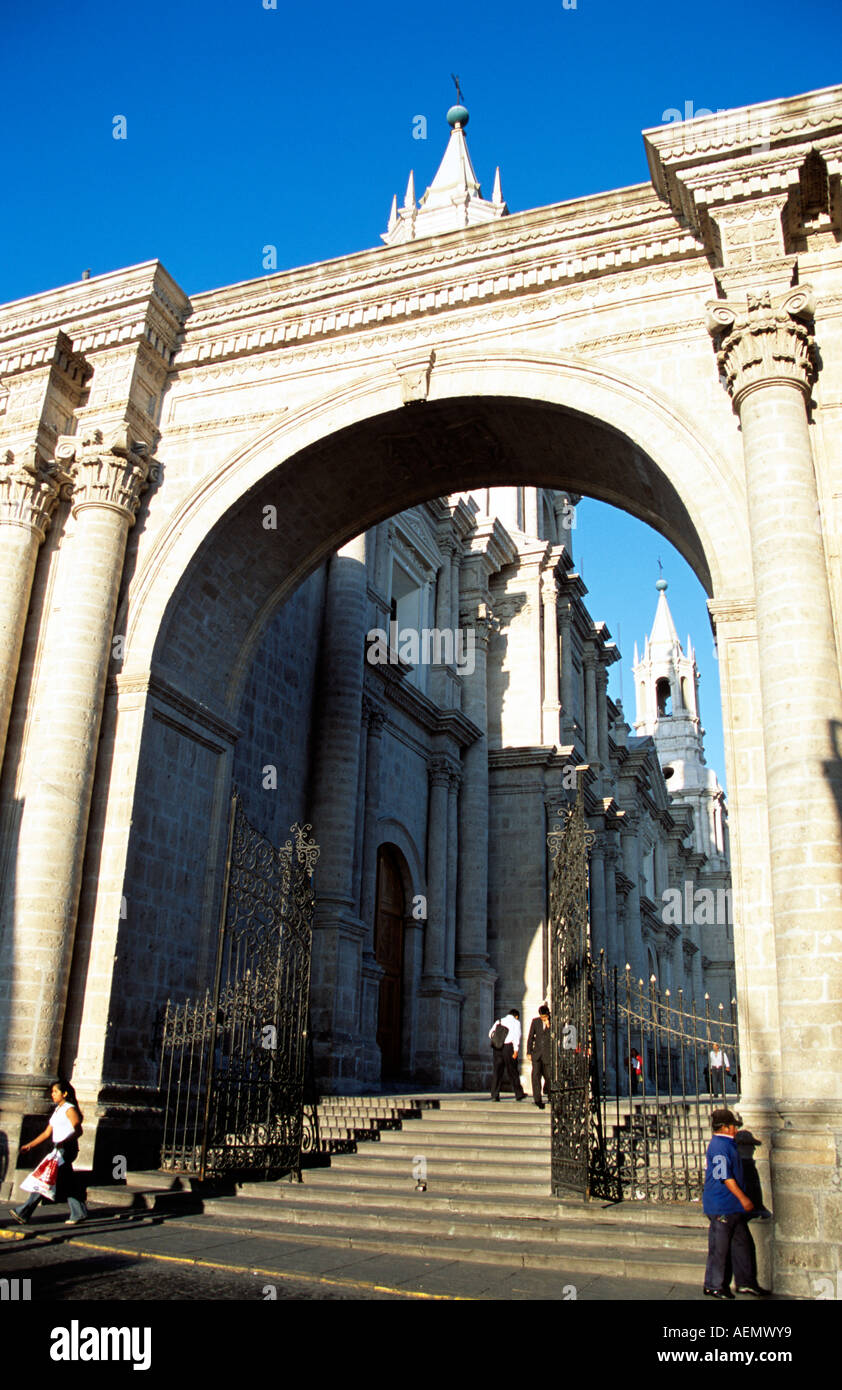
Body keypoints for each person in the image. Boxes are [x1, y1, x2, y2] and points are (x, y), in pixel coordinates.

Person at [702, 1108, 770, 1299]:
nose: (734, 1129)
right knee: (720, 1247)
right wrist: (743, 1198)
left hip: (732, 1206)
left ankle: (745, 1282)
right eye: (732, 1126)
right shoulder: (719, 1146)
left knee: (742, 1243)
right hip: (722, 1205)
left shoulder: (727, 1144)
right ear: (724, 1127)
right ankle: (713, 1284)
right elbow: (724, 1176)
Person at [12, 1079, 89, 1226]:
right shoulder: (58, 1109)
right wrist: (30, 1145)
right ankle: (79, 1212)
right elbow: (47, 1133)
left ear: (65, 1093)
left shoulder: (70, 1109)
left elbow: (78, 1130)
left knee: (45, 1179)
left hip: (66, 1149)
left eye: (55, 1091)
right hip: (57, 1149)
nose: (52, 1094)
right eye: (52, 1092)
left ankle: (23, 1212)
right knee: (66, 1182)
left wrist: (64, 1142)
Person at [488, 1009, 525, 1102]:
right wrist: (516, 1050)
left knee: (497, 1071)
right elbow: (516, 1036)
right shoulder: (516, 1022)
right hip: (509, 1047)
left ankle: (494, 1095)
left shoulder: (499, 1021)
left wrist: (497, 1039)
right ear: (516, 1016)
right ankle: (518, 1093)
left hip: (498, 1048)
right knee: (512, 1071)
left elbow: (490, 1033)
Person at [526, 1004, 551, 1108]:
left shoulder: (552, 1022)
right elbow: (530, 1037)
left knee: (549, 1076)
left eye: (544, 1017)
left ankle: (551, 1095)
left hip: (547, 1054)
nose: (543, 1019)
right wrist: (529, 1051)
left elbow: (556, 1036)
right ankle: (537, 1099)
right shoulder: (535, 1022)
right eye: (542, 1017)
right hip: (536, 1054)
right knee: (535, 1076)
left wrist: (549, 1025)